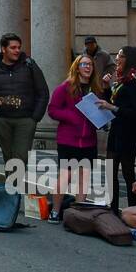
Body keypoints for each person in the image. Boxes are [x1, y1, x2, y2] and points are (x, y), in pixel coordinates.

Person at [0, 33, 49, 186]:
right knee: (9, 157)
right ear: (4, 49)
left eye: (18, 47)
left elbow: (43, 92)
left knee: (21, 157)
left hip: (25, 120)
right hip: (2, 120)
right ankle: (11, 193)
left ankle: (12, 191)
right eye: (13, 47)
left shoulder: (29, 65)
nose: (17, 50)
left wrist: (35, 117)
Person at [46, 55, 102, 222]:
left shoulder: (96, 89)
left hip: (89, 140)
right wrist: (70, 116)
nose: (88, 67)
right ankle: (55, 211)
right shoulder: (65, 87)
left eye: (90, 65)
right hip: (68, 140)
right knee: (66, 176)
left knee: (84, 177)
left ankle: (79, 214)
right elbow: (52, 110)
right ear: (77, 67)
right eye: (84, 64)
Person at [99, 46, 136, 213]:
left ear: (129, 59)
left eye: (120, 56)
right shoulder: (122, 79)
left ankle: (130, 208)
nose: (117, 59)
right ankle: (113, 207)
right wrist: (106, 87)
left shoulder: (135, 80)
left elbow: (134, 111)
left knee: (127, 170)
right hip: (117, 128)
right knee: (110, 169)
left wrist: (112, 108)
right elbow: (113, 103)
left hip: (128, 130)